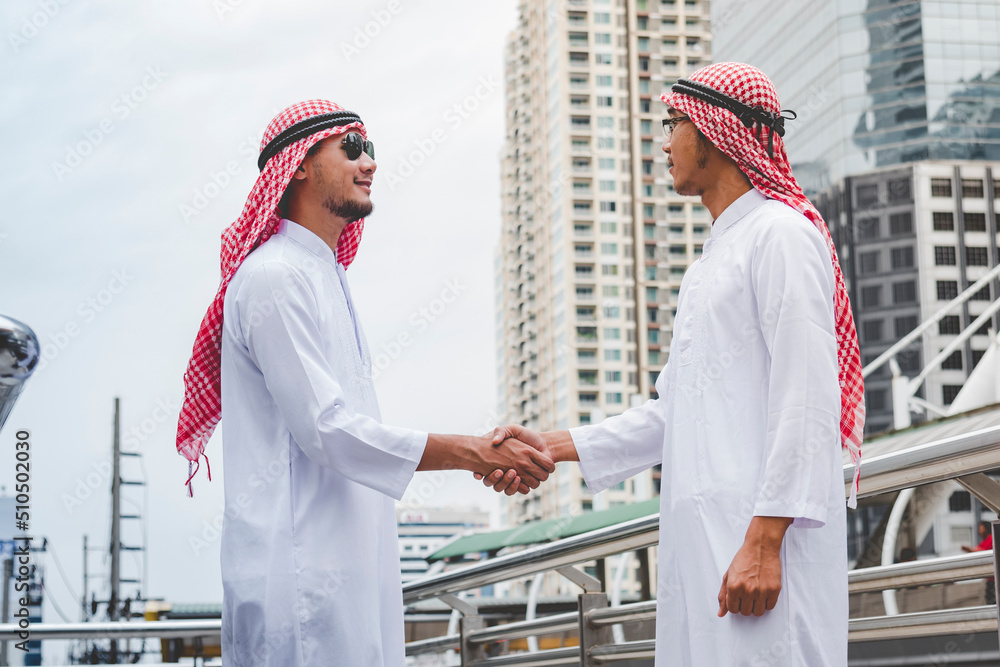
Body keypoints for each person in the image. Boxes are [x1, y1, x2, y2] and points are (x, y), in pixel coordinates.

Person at [481, 63, 865, 665]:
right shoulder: (710, 262)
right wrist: (552, 447)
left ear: (714, 132)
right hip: (703, 550)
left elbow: (809, 397)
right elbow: (677, 413)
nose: (664, 141)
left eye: (673, 122)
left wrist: (765, 540)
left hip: (760, 548)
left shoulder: (781, 236)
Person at [174, 100, 554, 667]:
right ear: (299, 164)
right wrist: (472, 452)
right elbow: (326, 430)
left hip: (346, 569)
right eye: (351, 147)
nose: (369, 162)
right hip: (297, 580)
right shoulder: (275, 276)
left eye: (371, 150)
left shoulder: (324, 274)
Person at [963, 521, 995, 604]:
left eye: (981, 527)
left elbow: (982, 552)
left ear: (986, 528)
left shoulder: (992, 538)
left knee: (993, 601)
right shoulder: (983, 542)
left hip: (995, 578)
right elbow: (977, 551)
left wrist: (971, 550)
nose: (979, 530)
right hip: (990, 578)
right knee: (991, 600)